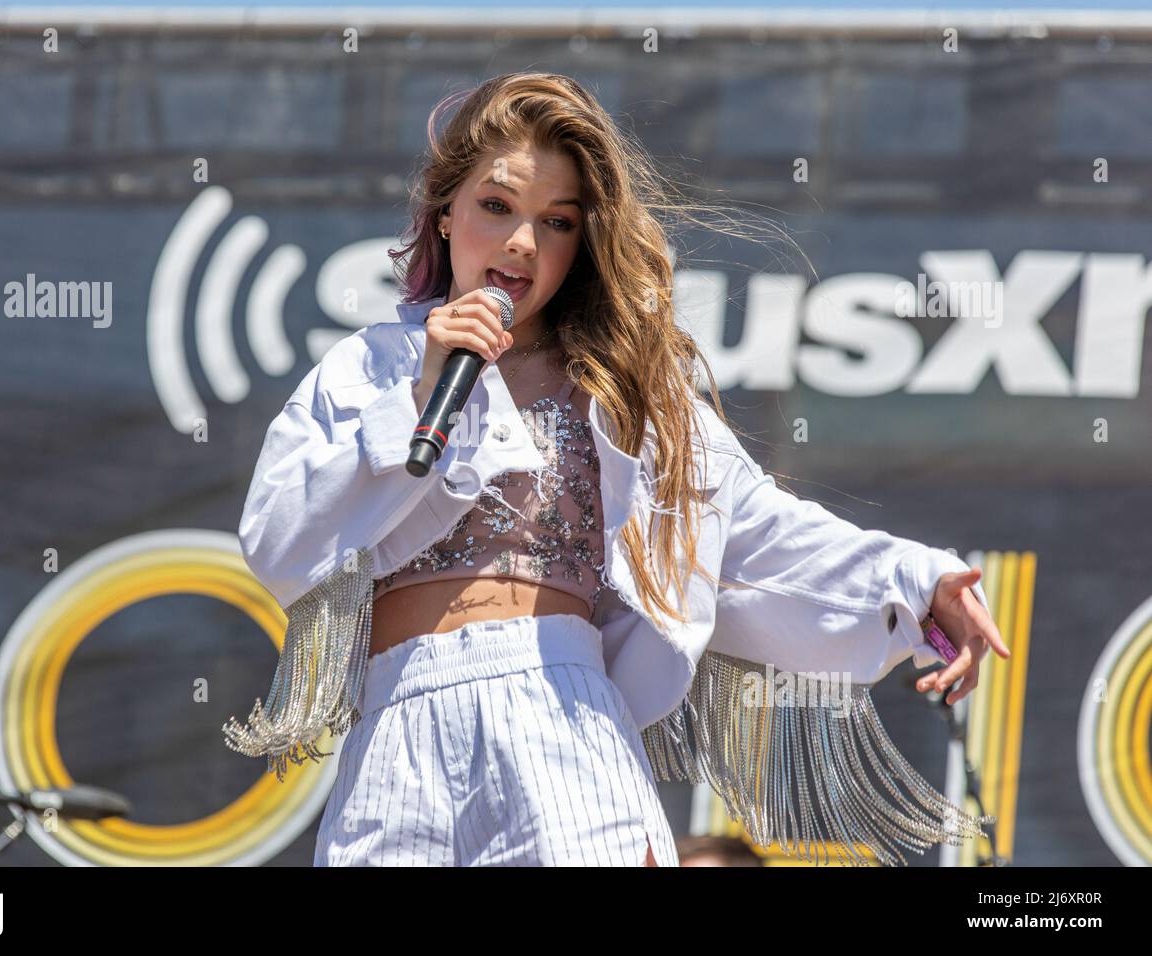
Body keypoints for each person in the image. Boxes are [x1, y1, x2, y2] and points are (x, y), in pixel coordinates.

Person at [223, 72, 1010, 867]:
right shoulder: (365, 368)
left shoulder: (626, 388)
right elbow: (281, 540)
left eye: (556, 223)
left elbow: (758, 530)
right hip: (392, 736)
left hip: (562, 717)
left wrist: (916, 582)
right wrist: (421, 393)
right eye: (496, 206)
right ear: (444, 210)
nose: (522, 243)